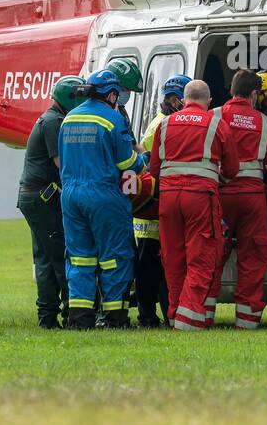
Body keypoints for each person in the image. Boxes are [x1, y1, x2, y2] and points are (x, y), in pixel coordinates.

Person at [57, 69, 148, 329]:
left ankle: (79, 318)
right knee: (115, 256)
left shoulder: (69, 118)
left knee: (79, 257)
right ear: (110, 94)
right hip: (103, 194)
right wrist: (144, 160)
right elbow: (126, 161)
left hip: (71, 195)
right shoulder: (112, 118)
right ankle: (114, 317)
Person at [147, 79, 238, 331]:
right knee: (201, 257)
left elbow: (154, 168)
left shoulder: (164, 124)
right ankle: (188, 321)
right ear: (208, 101)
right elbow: (231, 169)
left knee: (173, 258)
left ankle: (175, 315)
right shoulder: (216, 124)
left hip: (167, 198)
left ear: (184, 99)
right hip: (200, 198)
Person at [17, 75, 84, 329]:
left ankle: (47, 318)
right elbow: (62, 164)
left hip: (33, 197)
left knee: (44, 258)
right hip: (43, 198)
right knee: (60, 255)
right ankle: (72, 314)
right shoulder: (54, 122)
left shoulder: (49, 119)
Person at [217, 70, 267, 329]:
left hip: (219, 194)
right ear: (254, 94)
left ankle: (203, 313)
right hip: (252, 196)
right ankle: (247, 320)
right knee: (253, 255)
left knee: (211, 254)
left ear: (232, 89)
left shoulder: (214, 116)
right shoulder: (265, 123)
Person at [131, 74, 190, 327]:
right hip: (152, 214)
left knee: (157, 268)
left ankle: (160, 314)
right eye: (184, 100)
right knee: (151, 270)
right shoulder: (162, 125)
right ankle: (148, 316)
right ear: (175, 99)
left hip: (156, 209)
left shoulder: (163, 121)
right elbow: (149, 164)